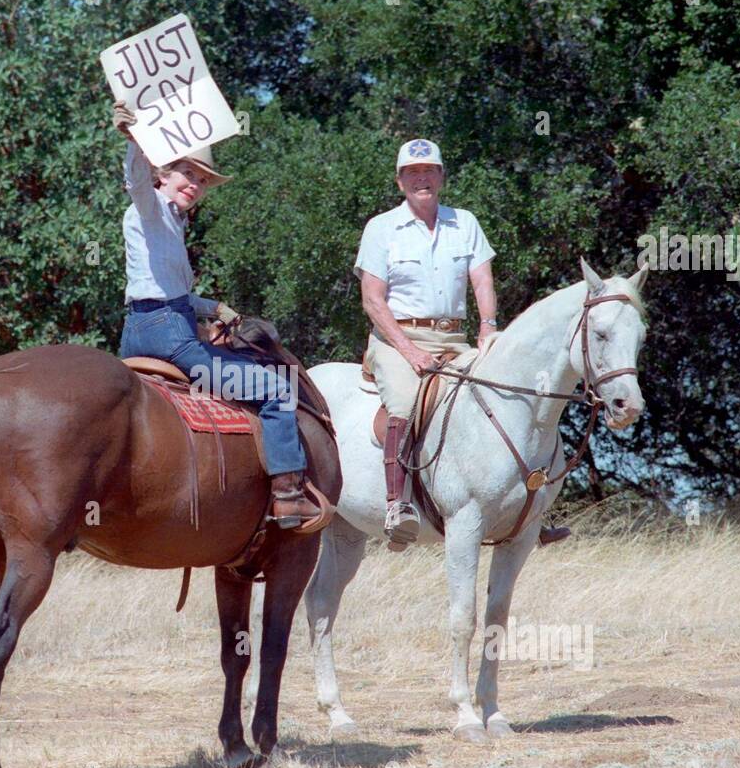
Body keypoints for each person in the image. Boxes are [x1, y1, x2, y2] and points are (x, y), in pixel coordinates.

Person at [112, 101, 321, 529]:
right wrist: (134, 140)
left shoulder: (172, 222)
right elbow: (135, 183)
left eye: (202, 180)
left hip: (139, 331)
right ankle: (287, 495)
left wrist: (217, 309)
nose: (195, 185)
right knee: (276, 388)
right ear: (162, 174)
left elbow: (172, 292)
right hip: (171, 338)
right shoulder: (149, 206)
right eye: (188, 174)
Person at [355, 138, 570, 549]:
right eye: (413, 173)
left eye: (430, 171)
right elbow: (372, 299)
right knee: (403, 401)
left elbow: (482, 279)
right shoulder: (381, 228)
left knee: (508, 392)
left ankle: (530, 506)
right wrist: (409, 350)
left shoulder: (464, 222)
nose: (422, 179)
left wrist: (489, 328)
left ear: (441, 178)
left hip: (453, 337)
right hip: (398, 337)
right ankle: (396, 505)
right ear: (401, 182)